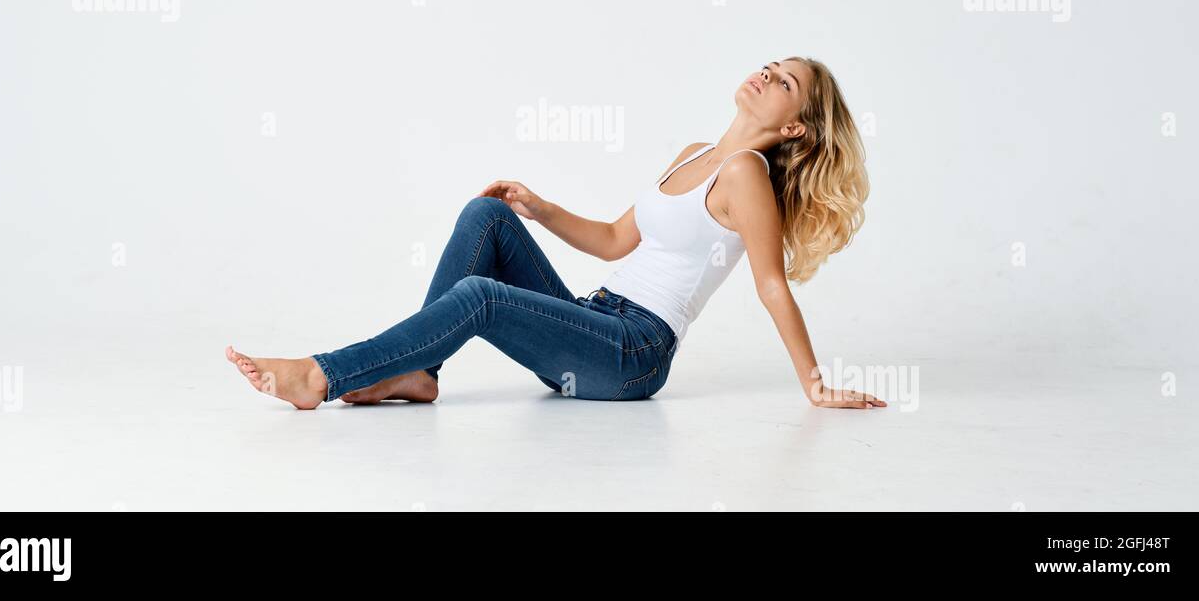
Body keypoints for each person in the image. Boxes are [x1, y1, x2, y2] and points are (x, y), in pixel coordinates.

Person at [226, 57, 884, 409]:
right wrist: (538, 209)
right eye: (771, 63)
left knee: (480, 298)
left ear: (795, 127)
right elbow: (612, 240)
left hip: (632, 354)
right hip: (594, 319)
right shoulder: (696, 152)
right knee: (489, 217)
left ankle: (321, 376)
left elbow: (771, 285)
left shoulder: (746, 175)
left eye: (785, 82)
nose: (766, 73)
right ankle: (420, 375)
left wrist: (815, 384)